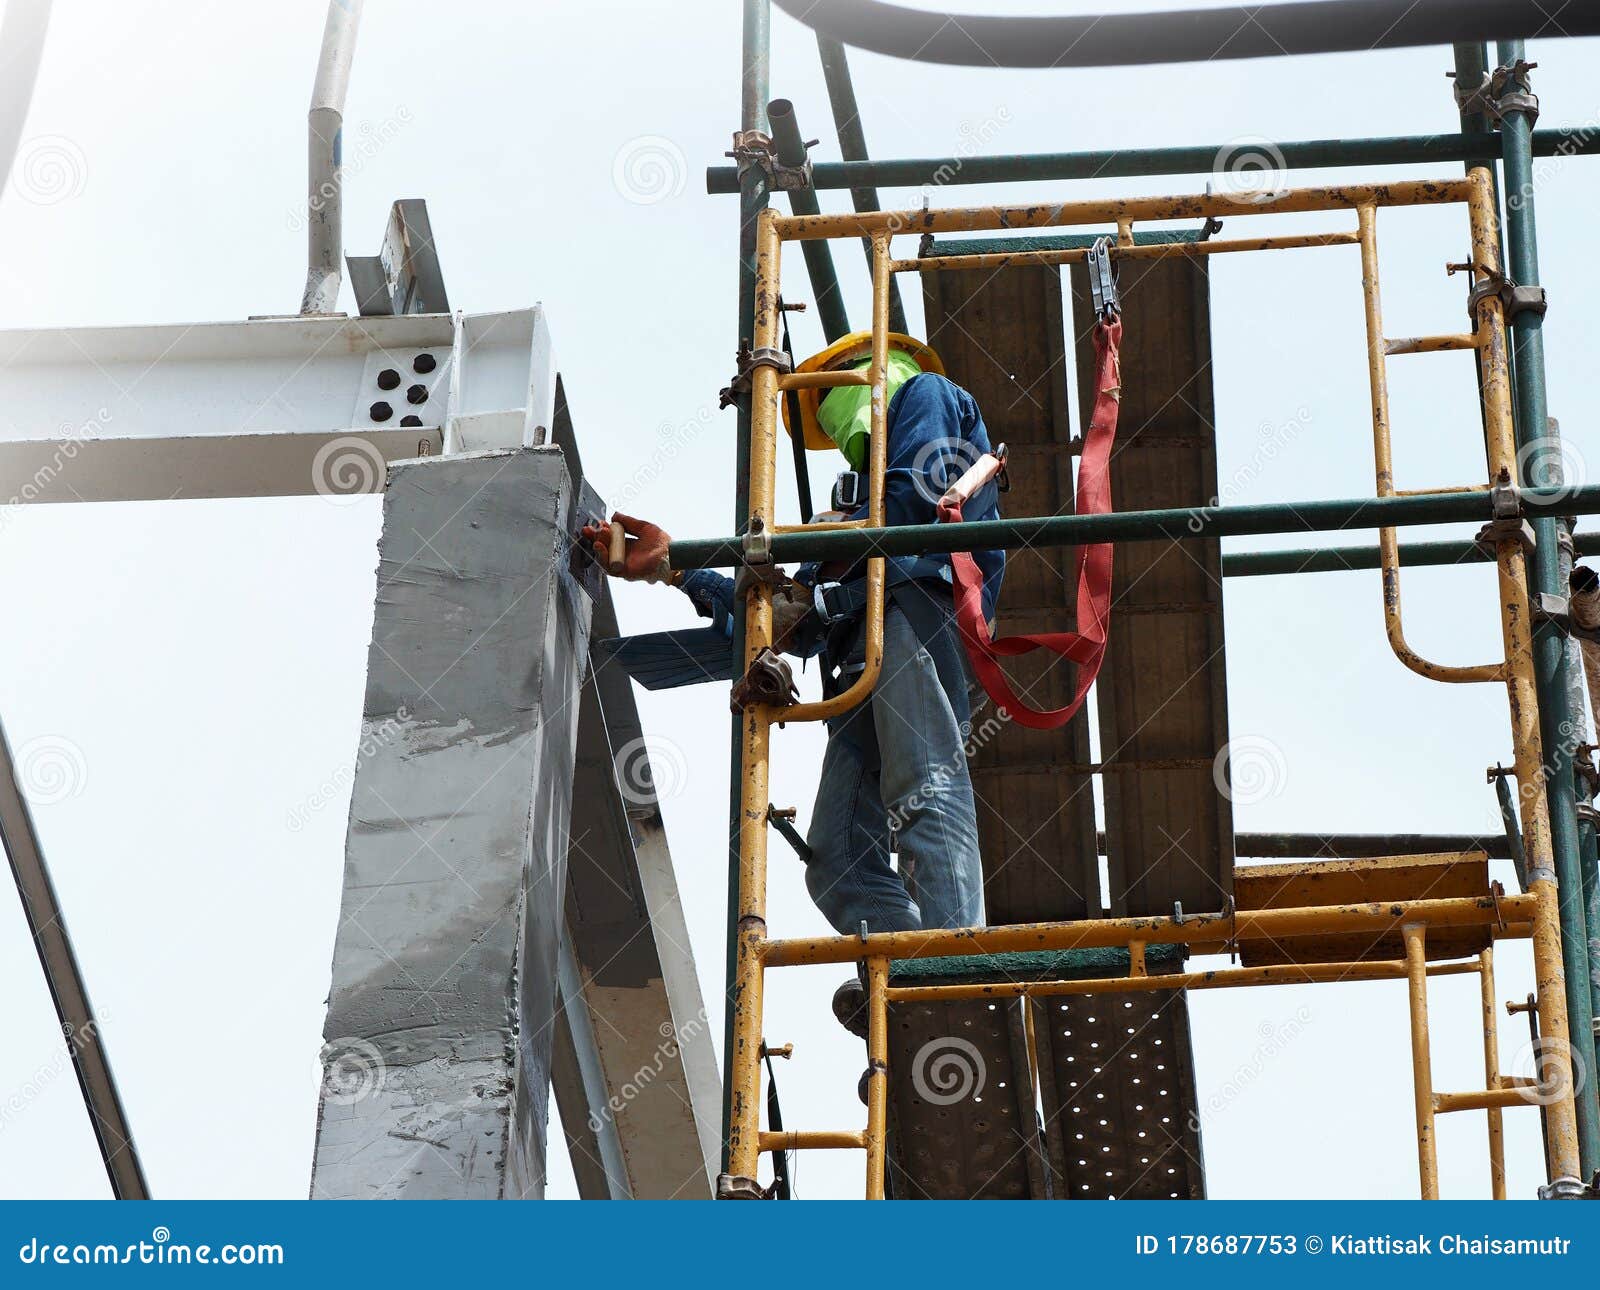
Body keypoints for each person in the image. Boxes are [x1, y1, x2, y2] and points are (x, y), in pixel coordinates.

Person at [586, 330, 1003, 982]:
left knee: (925, 790)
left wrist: (803, 571)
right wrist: (675, 569)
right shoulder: (843, 516)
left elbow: (918, 500)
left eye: (832, 397)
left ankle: (957, 973)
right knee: (837, 861)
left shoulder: (927, 394)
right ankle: (914, 978)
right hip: (855, 655)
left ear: (875, 374)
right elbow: (787, 620)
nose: (835, 424)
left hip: (917, 607)